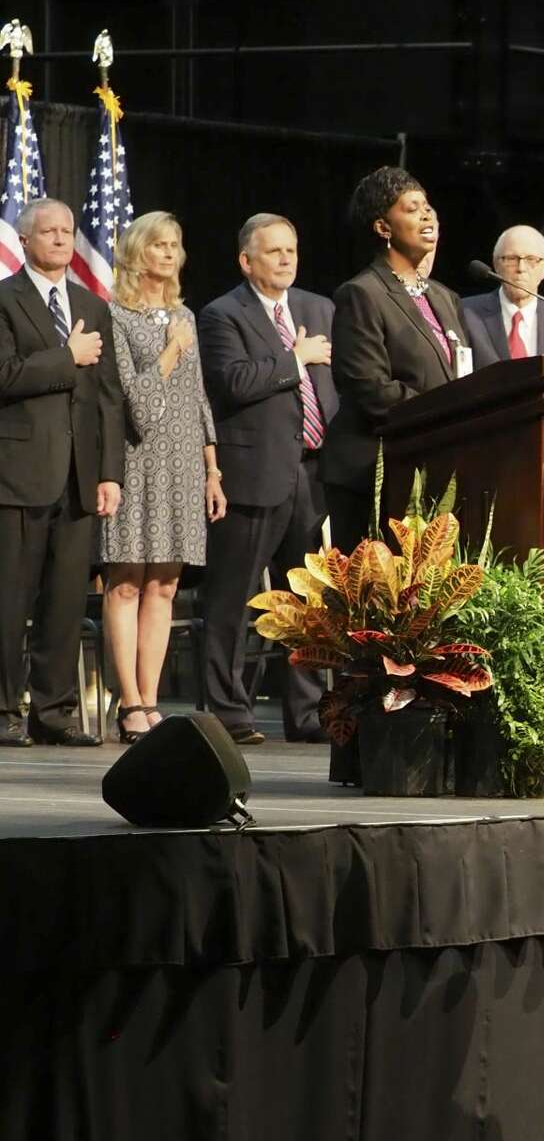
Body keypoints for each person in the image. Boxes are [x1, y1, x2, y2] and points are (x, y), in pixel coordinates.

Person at [199, 212, 337, 743]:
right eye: (275, 251)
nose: (286, 260)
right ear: (246, 260)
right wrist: (293, 358)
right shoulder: (222, 314)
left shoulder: (317, 307)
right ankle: (230, 714)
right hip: (253, 471)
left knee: (304, 603)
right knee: (233, 599)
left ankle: (305, 715)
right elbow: (232, 383)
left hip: (312, 471)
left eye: (292, 251)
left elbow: (333, 386)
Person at [95, 212, 225, 741]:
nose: (169, 254)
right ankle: (128, 701)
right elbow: (137, 405)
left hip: (183, 468)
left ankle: (150, 699)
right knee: (127, 581)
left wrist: (212, 470)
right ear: (136, 254)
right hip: (134, 462)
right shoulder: (116, 316)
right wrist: (171, 349)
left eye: (175, 245)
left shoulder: (185, 315)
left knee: (166, 584)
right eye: (158, 246)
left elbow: (197, 401)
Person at [0, 198, 125, 746]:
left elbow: (108, 399)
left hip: (78, 478)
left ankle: (54, 712)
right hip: (18, 473)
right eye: (48, 231)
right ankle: (4, 711)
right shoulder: (4, 300)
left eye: (67, 231)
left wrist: (109, 473)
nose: (60, 239)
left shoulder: (92, 306)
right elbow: (3, 376)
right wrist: (65, 356)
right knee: (9, 600)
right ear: (23, 241)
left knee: (65, 603)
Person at [326, 166, 470, 546]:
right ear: (383, 228)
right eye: (412, 208)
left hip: (436, 464)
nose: (427, 215)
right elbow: (370, 389)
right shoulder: (361, 294)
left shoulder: (443, 297)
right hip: (376, 471)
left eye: (427, 206)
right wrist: (444, 413)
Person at [460, 224, 544, 367]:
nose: (521, 268)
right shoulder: (467, 314)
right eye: (512, 259)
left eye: (531, 259)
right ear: (496, 264)